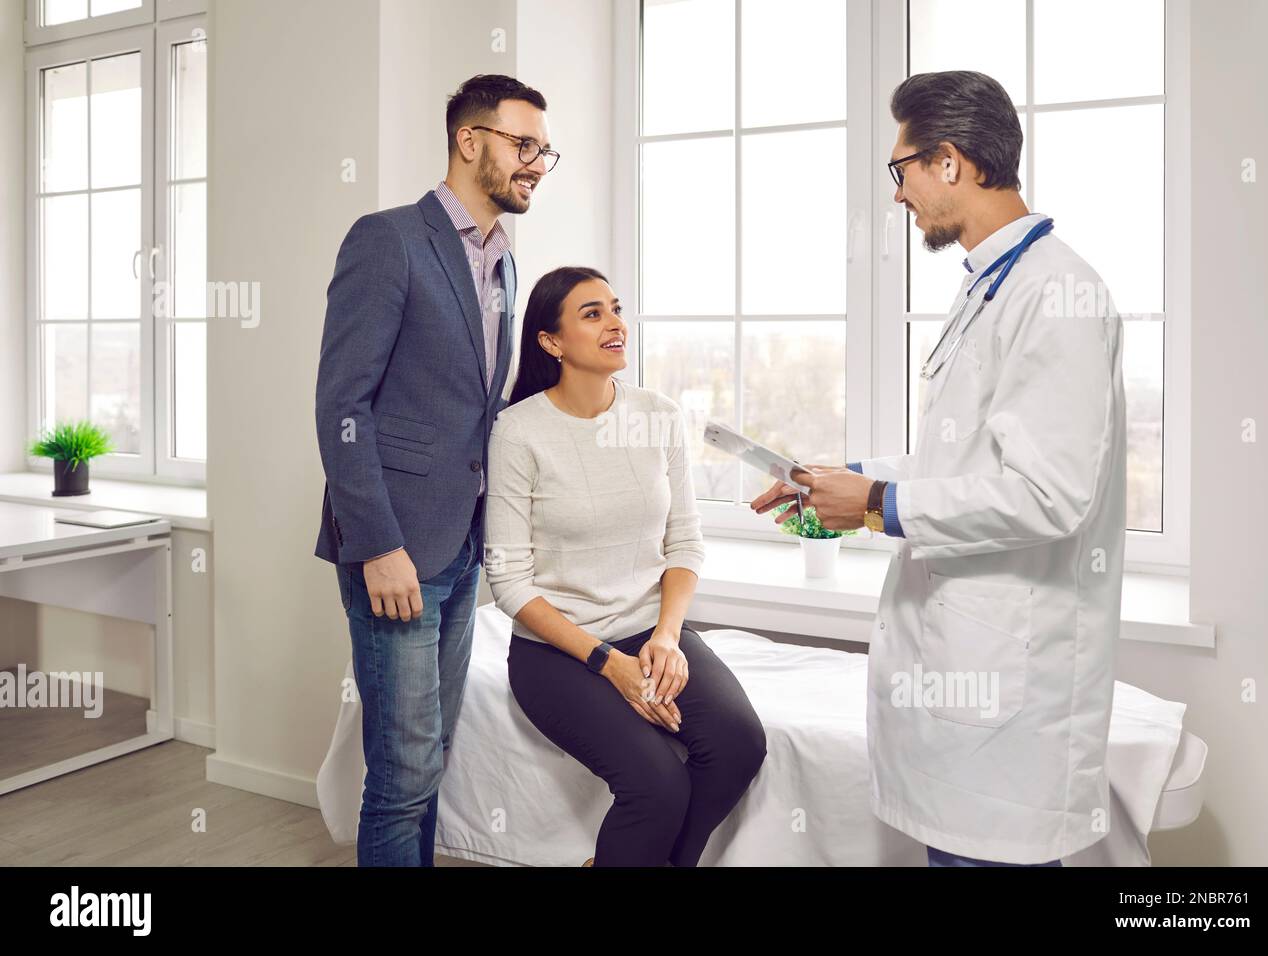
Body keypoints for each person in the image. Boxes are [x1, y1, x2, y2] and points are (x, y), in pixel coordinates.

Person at [753, 70, 1127, 867]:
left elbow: (1049, 495)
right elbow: (967, 460)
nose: (898, 195)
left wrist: (880, 502)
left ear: (950, 161)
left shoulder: (1058, 293)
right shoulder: (992, 288)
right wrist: (847, 482)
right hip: (967, 699)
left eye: (903, 169)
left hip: (1007, 707)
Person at [313, 74, 555, 866]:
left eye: (545, 151)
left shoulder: (504, 261)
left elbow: (480, 406)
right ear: (469, 140)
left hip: (461, 544)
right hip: (396, 545)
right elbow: (343, 405)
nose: (536, 165)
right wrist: (376, 543)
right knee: (402, 771)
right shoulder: (388, 239)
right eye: (524, 146)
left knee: (432, 758)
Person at [484, 266, 767, 867]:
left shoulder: (658, 415)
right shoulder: (519, 431)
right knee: (658, 784)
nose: (616, 324)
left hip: (648, 631)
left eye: (615, 309)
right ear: (551, 342)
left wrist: (667, 636)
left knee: (738, 743)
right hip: (556, 652)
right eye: (592, 314)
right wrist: (609, 664)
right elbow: (507, 580)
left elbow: (684, 543)